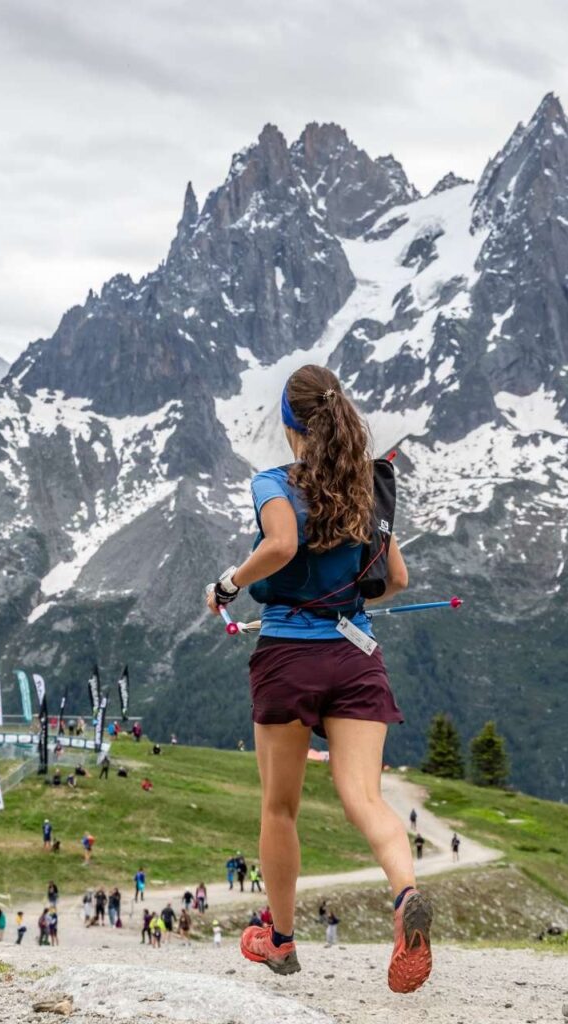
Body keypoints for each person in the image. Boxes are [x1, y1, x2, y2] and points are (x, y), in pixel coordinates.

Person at [206, 365, 430, 992]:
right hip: (357, 659)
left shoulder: (274, 483)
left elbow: (279, 546)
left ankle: (279, 939)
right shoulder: (366, 490)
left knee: (280, 807)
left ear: (289, 425)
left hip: (287, 657)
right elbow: (398, 581)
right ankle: (406, 895)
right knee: (365, 799)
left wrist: (228, 584)